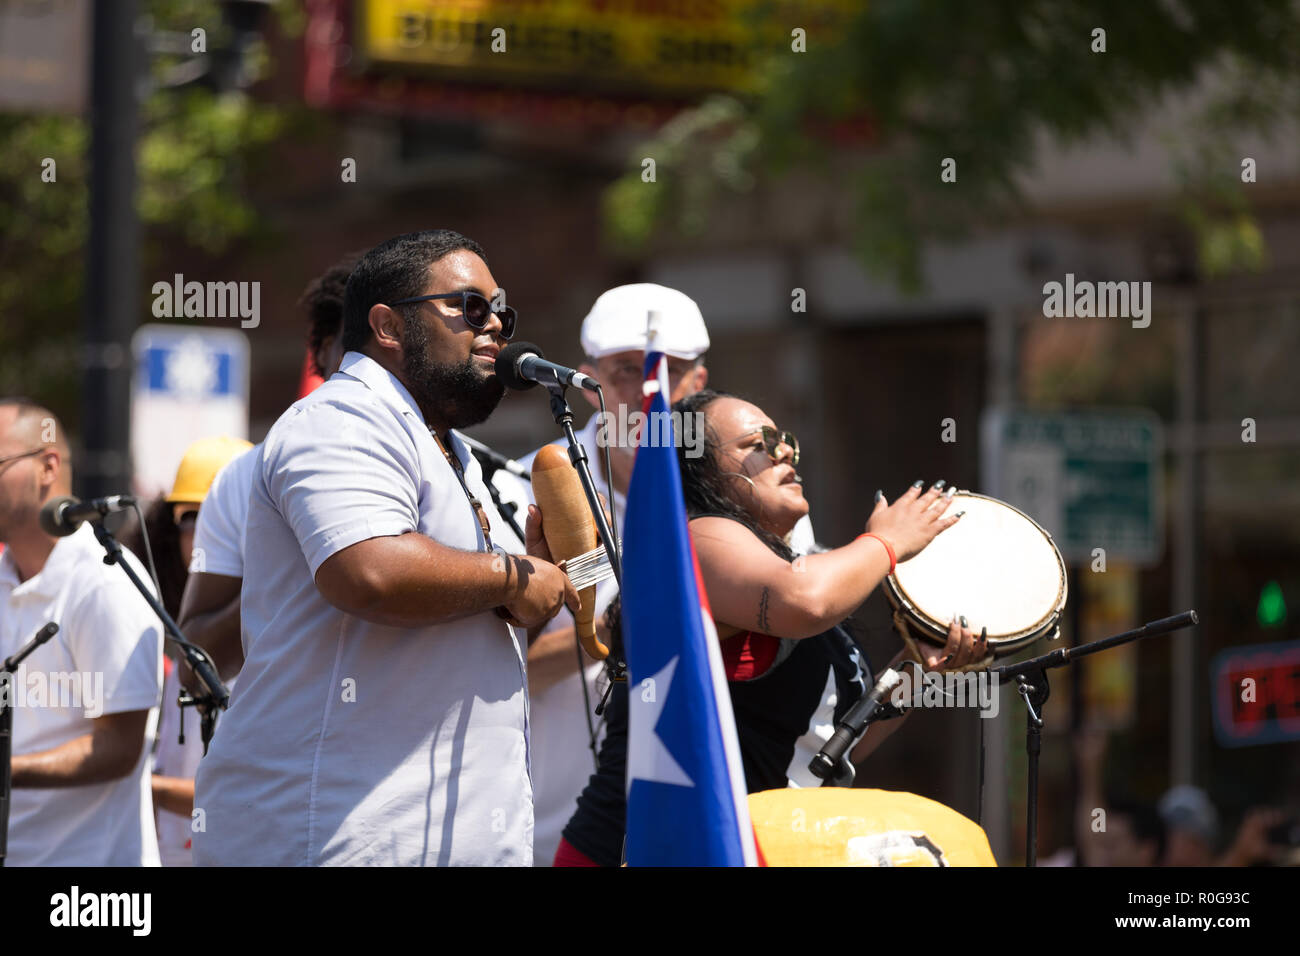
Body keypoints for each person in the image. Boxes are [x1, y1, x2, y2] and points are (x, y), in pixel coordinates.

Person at [192, 229, 577, 866]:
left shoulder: (447, 448)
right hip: (339, 829)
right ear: (388, 326)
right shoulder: (341, 418)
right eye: (471, 308)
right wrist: (513, 576)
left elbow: (470, 607)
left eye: (503, 313)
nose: (496, 328)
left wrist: (531, 589)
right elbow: (368, 571)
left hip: (448, 833)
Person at [557, 388, 987, 866]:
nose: (783, 449)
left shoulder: (787, 565)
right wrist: (885, 541)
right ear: (699, 468)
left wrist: (917, 665)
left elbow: (838, 743)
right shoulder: (694, 539)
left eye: (784, 439)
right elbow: (804, 599)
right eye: (757, 443)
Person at [496, 283, 818, 866]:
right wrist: (636, 623)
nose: (652, 392)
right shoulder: (518, 493)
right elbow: (494, 664)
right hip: (553, 827)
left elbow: (790, 642)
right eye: (627, 373)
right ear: (590, 384)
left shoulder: (752, 498)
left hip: (697, 825)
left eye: (673, 373)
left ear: (699, 385)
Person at [178, 254, 359, 681]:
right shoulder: (242, 478)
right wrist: (281, 573)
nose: (367, 369)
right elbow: (193, 662)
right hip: (277, 742)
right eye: (353, 346)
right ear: (323, 350)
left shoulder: (474, 470)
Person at [0, 398, 163, 865]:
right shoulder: (5, 575)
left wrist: (6, 772)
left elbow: (119, 746)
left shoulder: (103, 581)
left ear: (47, 466)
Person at [123, 436, 252, 867]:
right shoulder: (153, 630)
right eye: (190, 516)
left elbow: (239, 791)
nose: (202, 532)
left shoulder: (271, 639)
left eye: (221, 515)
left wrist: (135, 784)